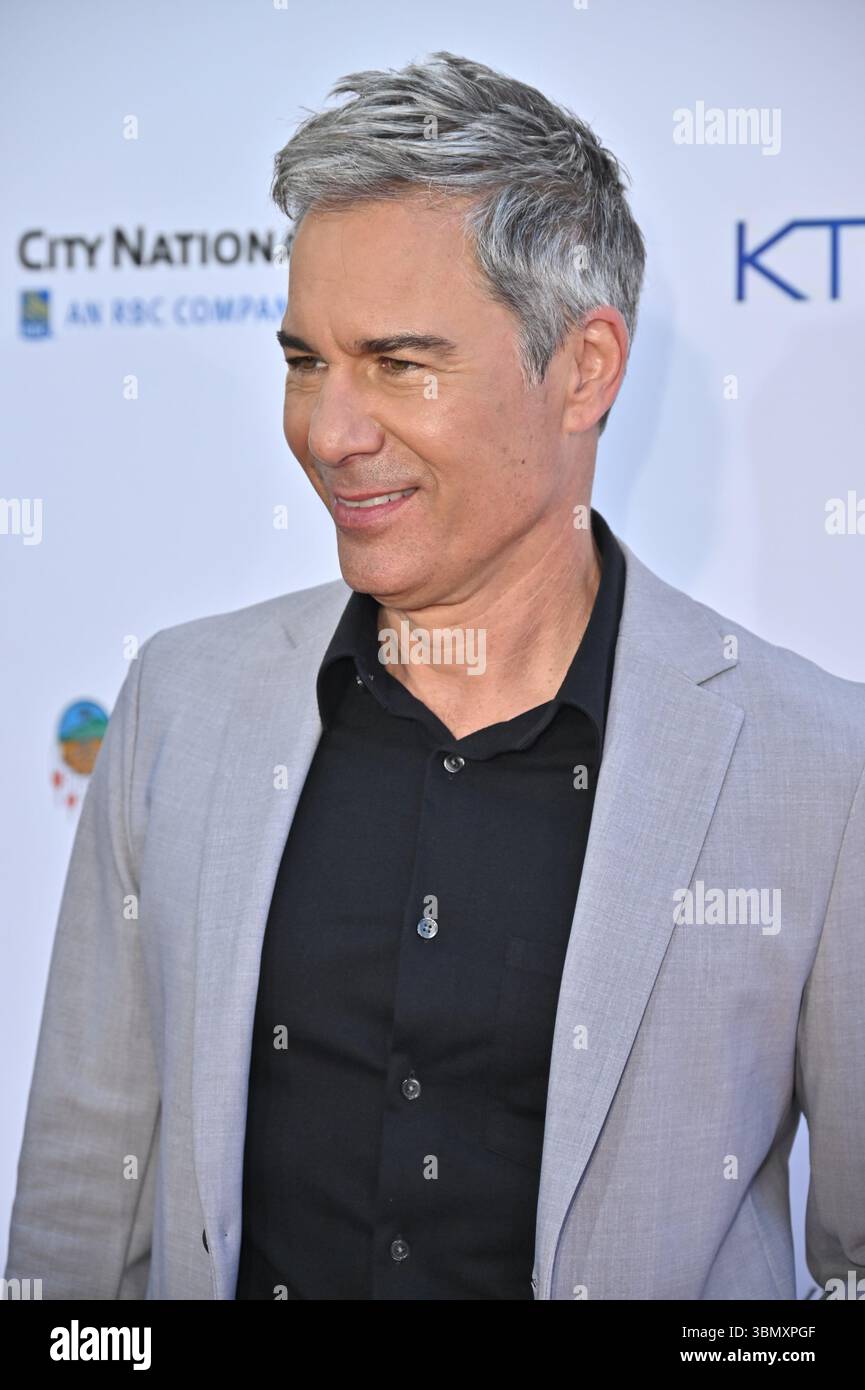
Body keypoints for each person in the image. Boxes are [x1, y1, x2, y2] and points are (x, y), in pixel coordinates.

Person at [6, 51, 864, 1301]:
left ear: (584, 368)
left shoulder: (814, 768)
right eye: (306, 361)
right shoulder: (179, 711)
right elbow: (84, 1225)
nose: (328, 432)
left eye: (400, 363)